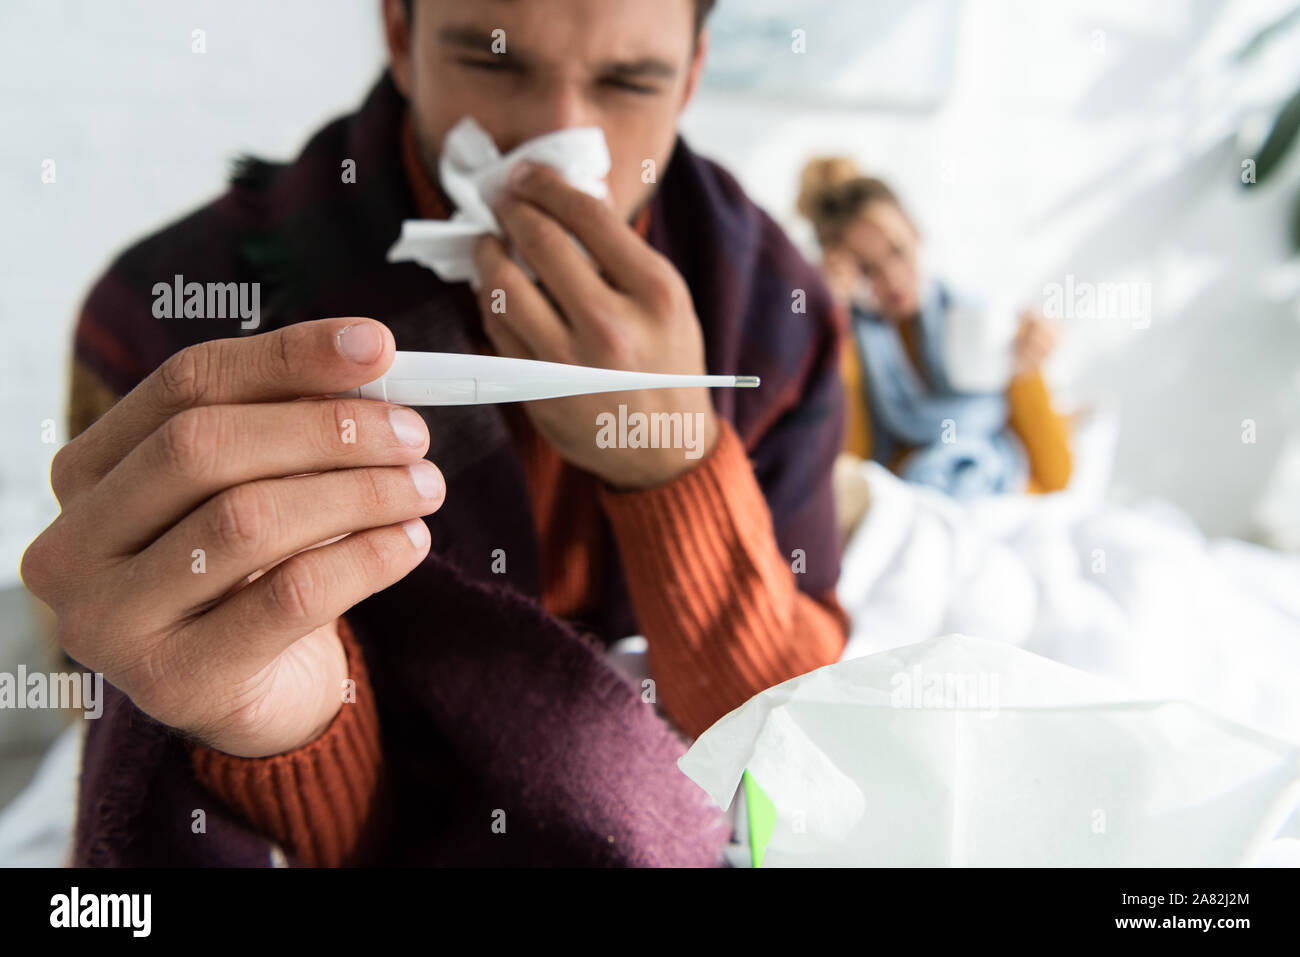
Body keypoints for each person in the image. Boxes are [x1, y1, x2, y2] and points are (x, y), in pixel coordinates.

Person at [20, 0, 850, 866]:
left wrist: (675, 476)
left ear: (692, 76)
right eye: (493, 63)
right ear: (399, 36)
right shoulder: (176, 309)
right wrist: (273, 714)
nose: (554, 142)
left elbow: (800, 757)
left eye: (628, 81)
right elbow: (144, 709)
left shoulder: (774, 309)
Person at [798, 157, 1072, 515]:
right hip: (918, 519)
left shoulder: (980, 323)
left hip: (1003, 510)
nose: (892, 277)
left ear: (915, 231)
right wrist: (833, 325)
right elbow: (853, 468)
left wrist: (1025, 372)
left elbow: (1057, 478)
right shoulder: (848, 351)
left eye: (897, 251)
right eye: (867, 269)